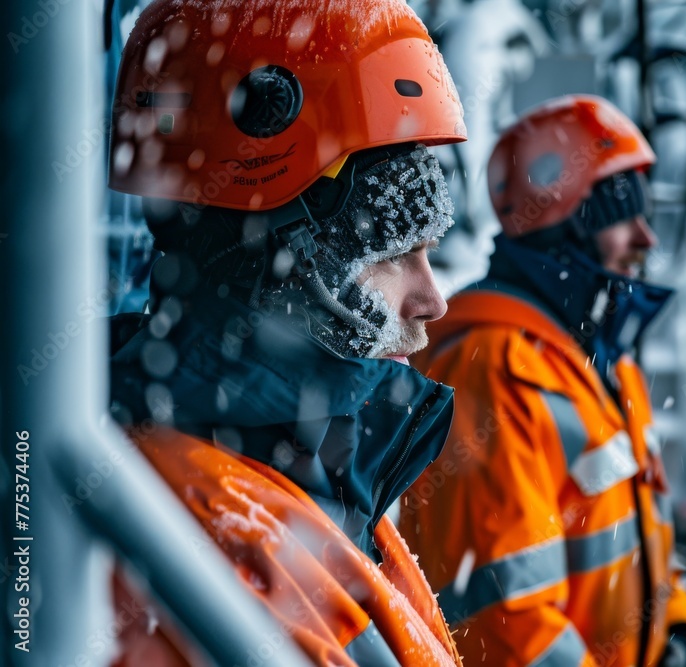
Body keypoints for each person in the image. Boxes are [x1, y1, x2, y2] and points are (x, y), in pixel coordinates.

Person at [105, 0, 468, 663]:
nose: (433, 300)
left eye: (431, 252)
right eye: (391, 256)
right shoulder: (213, 537)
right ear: (279, 265)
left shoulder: (314, 474)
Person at [398, 95, 686, 667]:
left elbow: (643, 526)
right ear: (564, 221)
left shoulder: (604, 364)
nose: (647, 238)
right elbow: (507, 626)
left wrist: (676, 631)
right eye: (623, 212)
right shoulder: (494, 369)